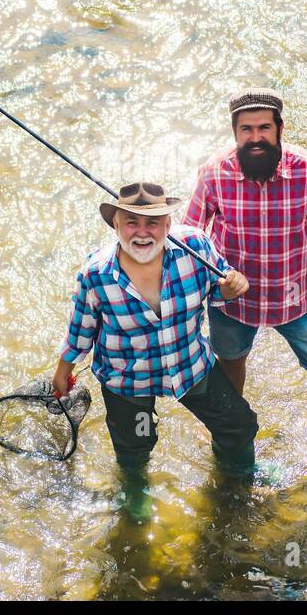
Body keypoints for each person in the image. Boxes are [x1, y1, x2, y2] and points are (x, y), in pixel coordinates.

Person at [182, 88, 307, 460]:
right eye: (246, 129)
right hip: (233, 301)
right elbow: (190, 236)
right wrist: (203, 283)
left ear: (280, 128)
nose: (256, 137)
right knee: (230, 365)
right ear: (235, 132)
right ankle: (229, 430)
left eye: (264, 128)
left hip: (297, 300)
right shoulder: (214, 173)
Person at [53, 182, 258, 509]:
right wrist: (64, 369)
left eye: (152, 222)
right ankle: (136, 493)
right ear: (116, 225)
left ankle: (241, 474)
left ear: (167, 225)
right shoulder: (95, 274)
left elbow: (219, 288)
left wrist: (232, 287)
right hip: (128, 379)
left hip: (190, 365)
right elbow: (82, 328)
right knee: (134, 445)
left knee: (238, 425)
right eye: (131, 222)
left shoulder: (196, 247)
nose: (142, 232)